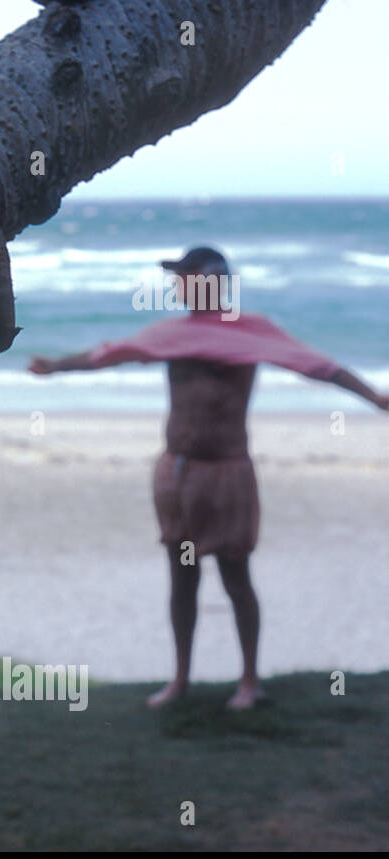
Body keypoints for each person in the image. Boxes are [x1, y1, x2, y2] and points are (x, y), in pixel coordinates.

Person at [29, 247, 389, 710]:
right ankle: (180, 680)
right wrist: (55, 367)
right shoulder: (171, 334)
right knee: (182, 579)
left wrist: (374, 397)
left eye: (185, 278)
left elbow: (321, 367)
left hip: (227, 474)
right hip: (177, 473)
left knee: (236, 578)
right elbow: (109, 355)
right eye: (177, 280)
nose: (178, 287)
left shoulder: (252, 331)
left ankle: (249, 681)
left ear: (215, 281)